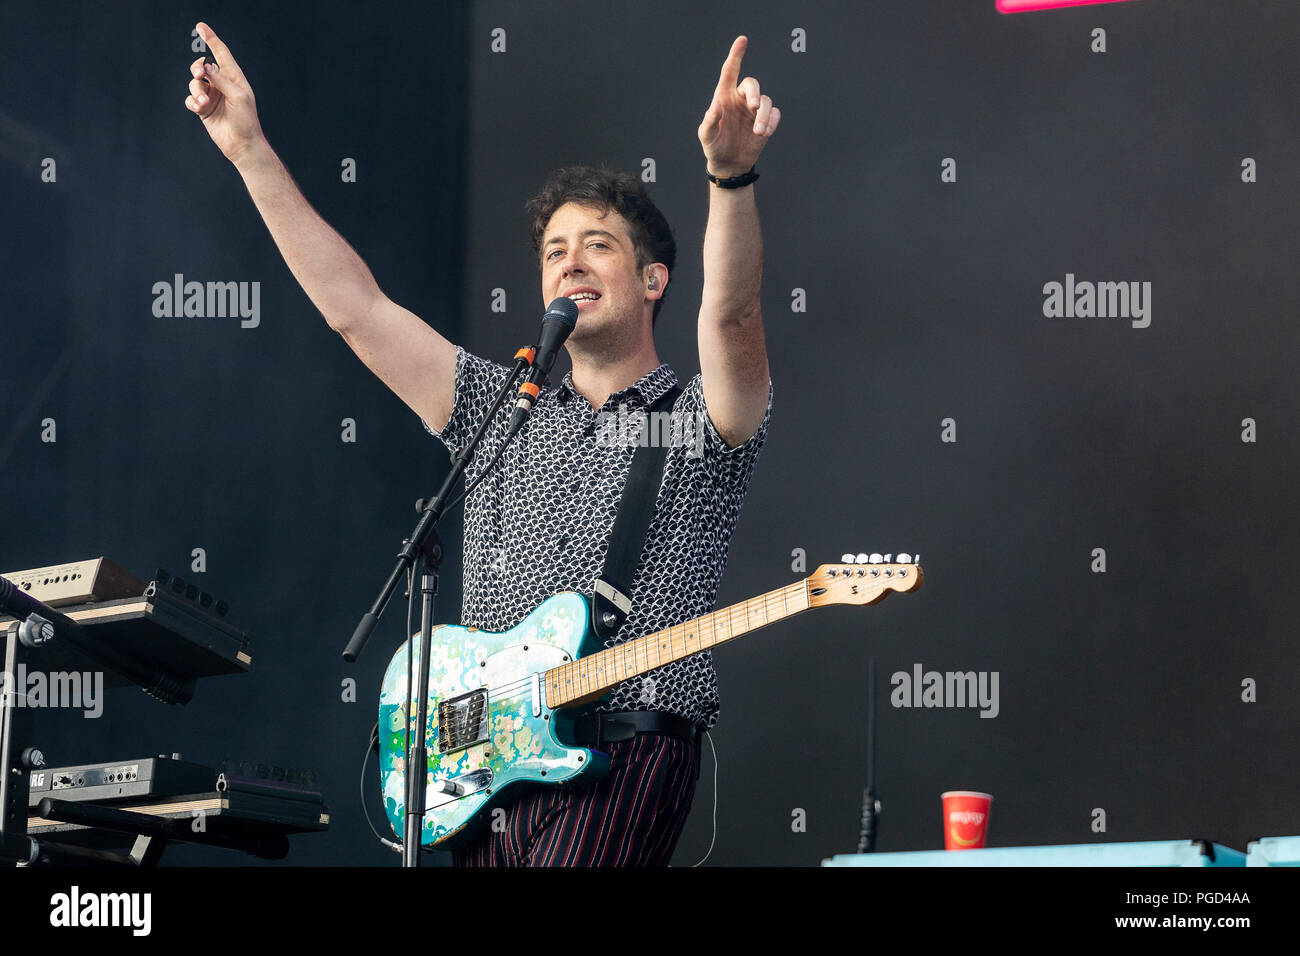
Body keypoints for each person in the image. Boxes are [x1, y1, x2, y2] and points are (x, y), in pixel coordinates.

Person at [186, 22, 780, 866]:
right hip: (486, 772)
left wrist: (730, 177)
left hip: (627, 746)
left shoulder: (698, 418)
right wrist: (248, 149)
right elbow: (357, 309)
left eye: (598, 246)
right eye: (554, 252)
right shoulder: (502, 404)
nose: (570, 264)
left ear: (653, 281)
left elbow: (732, 314)